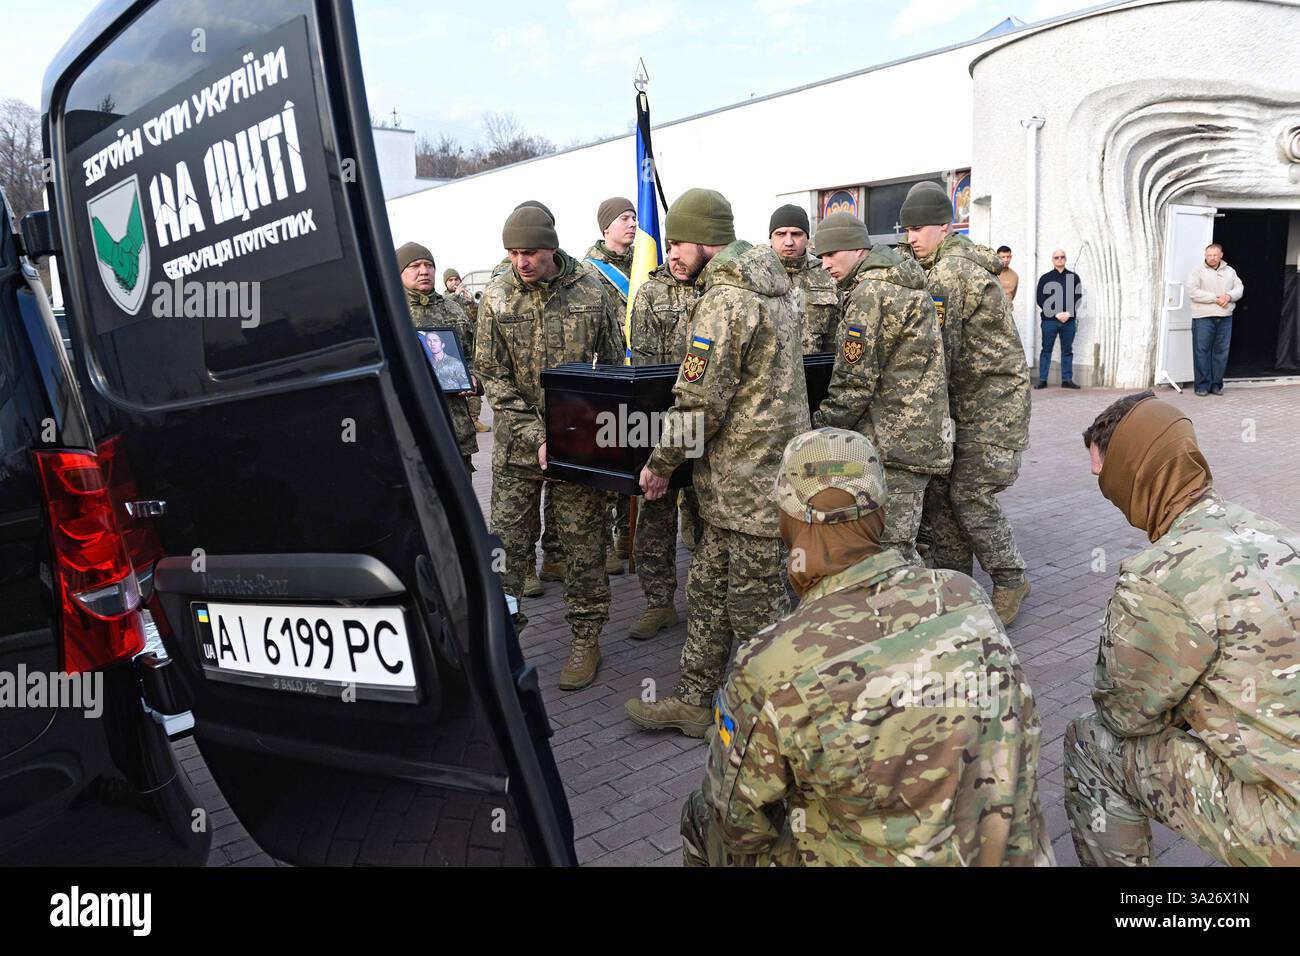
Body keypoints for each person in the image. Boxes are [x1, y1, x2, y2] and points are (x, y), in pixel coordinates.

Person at [680, 427, 1054, 867]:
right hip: (999, 852)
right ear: (880, 512)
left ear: (788, 519)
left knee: (702, 814)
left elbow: (738, 825)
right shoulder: (964, 595)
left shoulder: (770, 664)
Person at [1065, 391, 1300, 866]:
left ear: (1134, 471)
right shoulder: (1280, 536)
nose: (1107, 492)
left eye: (1105, 476)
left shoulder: (1156, 577)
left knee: (1090, 742)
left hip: (1286, 826)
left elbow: (1124, 716)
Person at [625, 188, 810, 736]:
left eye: (677, 244)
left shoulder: (726, 299)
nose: (670, 256)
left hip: (751, 488)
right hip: (739, 484)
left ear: (705, 240)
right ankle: (693, 700)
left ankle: (779, 726)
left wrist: (660, 464)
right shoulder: (776, 288)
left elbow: (700, 400)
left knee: (757, 613)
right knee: (706, 594)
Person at [475, 205, 626, 689]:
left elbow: (612, 367)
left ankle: (586, 637)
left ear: (552, 249)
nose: (520, 262)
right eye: (513, 253)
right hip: (518, 452)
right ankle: (506, 637)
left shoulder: (591, 290)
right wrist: (537, 436)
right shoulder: (497, 295)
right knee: (507, 550)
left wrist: (587, 431)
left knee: (584, 547)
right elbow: (492, 375)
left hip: (577, 449)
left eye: (530, 253)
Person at [900, 181, 1032, 626]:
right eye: (907, 230)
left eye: (919, 229)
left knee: (970, 495)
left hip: (991, 410)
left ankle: (1010, 578)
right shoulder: (948, 266)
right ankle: (956, 586)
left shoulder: (950, 274)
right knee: (943, 497)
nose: (911, 238)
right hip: (969, 407)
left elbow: (938, 352)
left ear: (945, 227)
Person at [811, 212, 951, 563]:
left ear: (858, 249)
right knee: (897, 542)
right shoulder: (903, 282)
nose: (825, 264)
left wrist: (819, 427)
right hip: (914, 437)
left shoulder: (870, 293)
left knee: (892, 550)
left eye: (832, 254)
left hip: (893, 442)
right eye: (821, 256)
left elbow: (854, 382)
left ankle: (914, 600)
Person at [625, 251, 703, 640]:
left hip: (709, 421)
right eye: (668, 244)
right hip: (663, 420)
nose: (673, 254)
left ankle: (708, 600)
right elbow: (645, 371)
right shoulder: (651, 293)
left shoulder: (719, 288)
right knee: (655, 514)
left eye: (682, 245)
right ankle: (659, 603)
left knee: (707, 513)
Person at [585, 197, 639, 576]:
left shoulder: (645, 263)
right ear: (606, 227)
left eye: (634, 217)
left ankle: (626, 532)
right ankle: (603, 540)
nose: (632, 223)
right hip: (606, 375)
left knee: (632, 455)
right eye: (624, 218)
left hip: (637, 375)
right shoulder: (588, 272)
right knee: (605, 458)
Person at [397, 242, 478, 476]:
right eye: (414, 266)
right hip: (409, 429)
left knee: (460, 492)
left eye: (429, 265)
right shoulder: (389, 311)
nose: (424, 271)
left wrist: (473, 378)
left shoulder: (454, 310)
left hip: (455, 428)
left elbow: (476, 358)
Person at [768, 204, 840, 353]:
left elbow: (835, 335)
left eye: (796, 234)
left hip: (816, 364)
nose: (789, 242)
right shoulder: (756, 273)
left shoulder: (826, 272)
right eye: (781, 234)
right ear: (770, 238)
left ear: (807, 238)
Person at [1186, 243, 1244, 396]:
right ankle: (1202, 386)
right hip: (1203, 316)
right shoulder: (1197, 271)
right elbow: (1192, 291)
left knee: (1221, 352)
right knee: (1202, 351)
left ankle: (1216, 385)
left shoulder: (1230, 271)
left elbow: (1239, 288)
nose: (1211, 258)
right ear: (1205, 255)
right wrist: (1215, 298)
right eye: (1209, 255)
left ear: (1221, 255)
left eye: (1215, 255)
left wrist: (1228, 296)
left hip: (1225, 317)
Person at [443, 269, 489, 434]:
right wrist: (456, 294)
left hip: (469, 348)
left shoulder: (464, 299)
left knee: (474, 387)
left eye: (456, 279)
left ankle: (475, 419)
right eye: (450, 280)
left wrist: (470, 302)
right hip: (452, 350)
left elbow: (477, 317)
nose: (454, 282)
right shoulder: (445, 299)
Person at [1034, 249, 1083, 389]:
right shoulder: (1045, 278)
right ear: (1052, 260)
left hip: (1069, 321)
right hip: (1049, 320)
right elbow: (1040, 299)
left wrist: (1068, 313)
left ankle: (1067, 379)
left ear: (1065, 259)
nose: (1059, 259)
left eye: (1062, 257)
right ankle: (1042, 380)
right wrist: (1056, 313)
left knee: (1067, 350)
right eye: (1056, 257)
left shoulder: (1074, 277)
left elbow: (1078, 297)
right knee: (1046, 349)